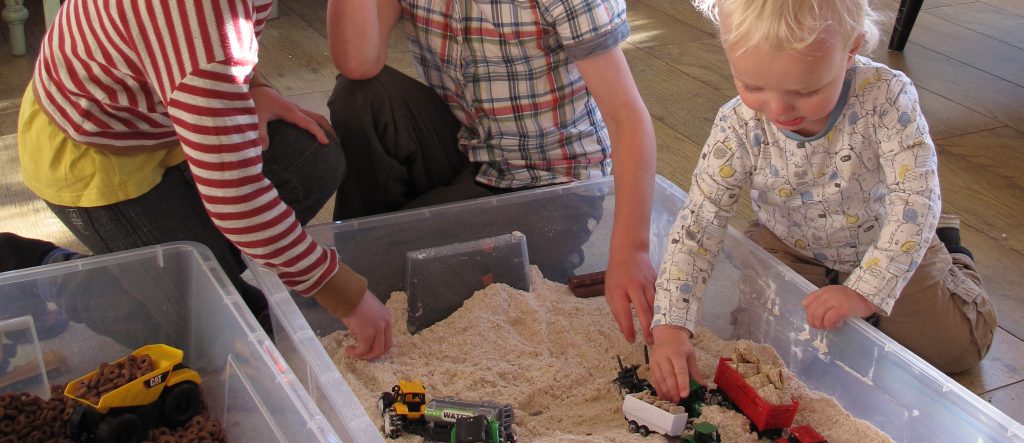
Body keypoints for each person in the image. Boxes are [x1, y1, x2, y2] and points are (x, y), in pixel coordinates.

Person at [649, 0, 997, 403]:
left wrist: (866, 291)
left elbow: (914, 201)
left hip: (889, 241)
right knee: (763, 346)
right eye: (753, 86)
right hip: (789, 245)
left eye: (806, 90)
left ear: (851, 49)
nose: (779, 109)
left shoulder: (885, 96)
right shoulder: (737, 123)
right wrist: (672, 326)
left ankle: (953, 252)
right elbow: (698, 225)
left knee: (960, 348)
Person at [17, 0, 392, 360]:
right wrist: (344, 294)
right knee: (207, 340)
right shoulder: (198, 19)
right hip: (95, 148)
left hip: (164, 110)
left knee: (317, 158)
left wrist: (254, 86)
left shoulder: (207, 33)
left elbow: (216, 37)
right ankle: (45, 268)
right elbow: (237, 199)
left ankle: (206, 273)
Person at [325, 0, 659, 344]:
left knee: (363, 277)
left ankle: (537, 259)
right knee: (360, 97)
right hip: (466, 153)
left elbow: (627, 118)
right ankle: (385, 246)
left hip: (551, 187)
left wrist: (632, 250)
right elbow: (357, 62)